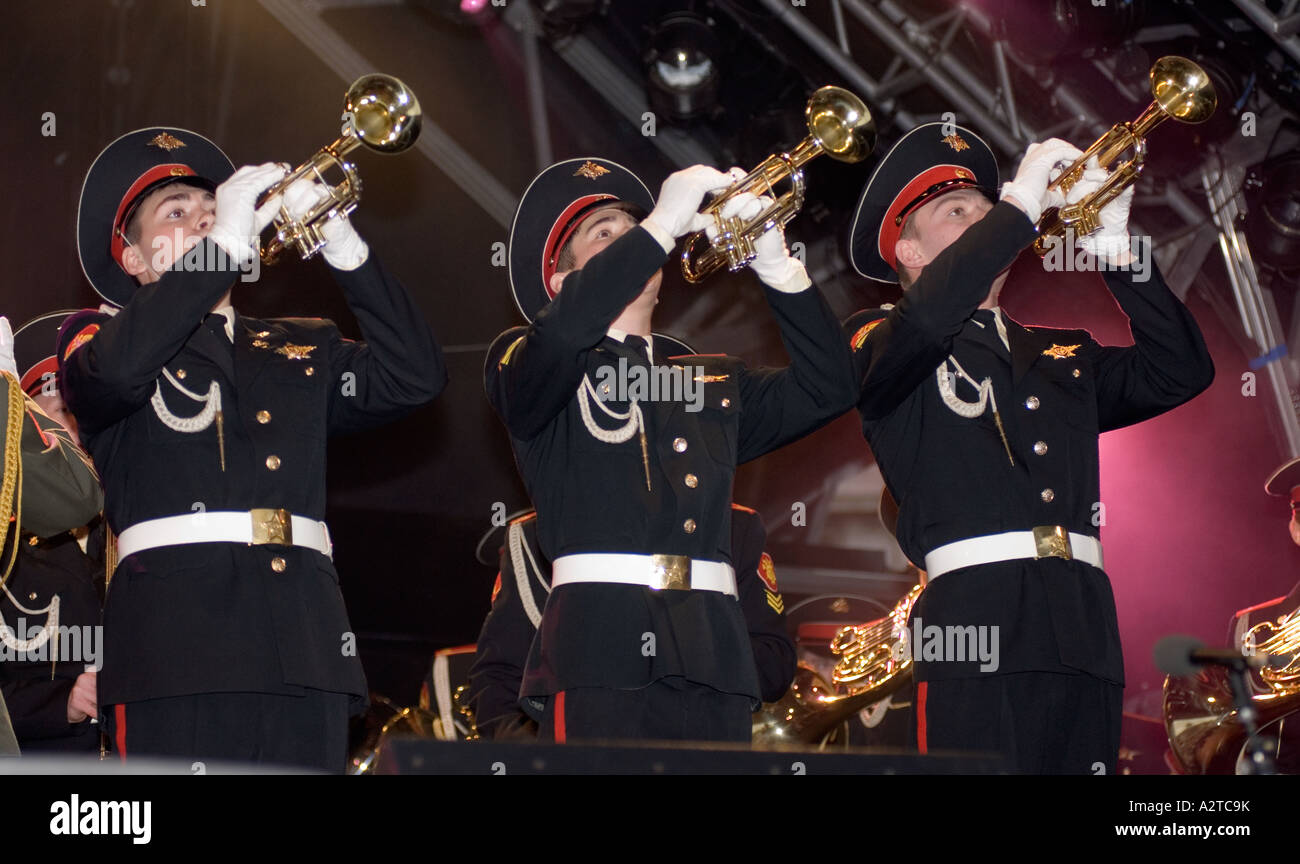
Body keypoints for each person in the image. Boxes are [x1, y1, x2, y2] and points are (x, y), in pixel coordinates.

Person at [58, 127, 446, 771]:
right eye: (176, 215)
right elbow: (116, 376)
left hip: (305, 642)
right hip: (179, 650)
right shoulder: (100, 335)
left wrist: (343, 246)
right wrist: (225, 245)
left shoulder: (298, 342)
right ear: (132, 260)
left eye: (213, 211)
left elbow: (415, 375)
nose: (204, 221)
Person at [841, 122, 1214, 773]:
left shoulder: (1059, 354)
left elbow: (1181, 370)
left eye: (991, 213)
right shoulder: (880, 340)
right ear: (909, 252)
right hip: (974, 620)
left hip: (1082, 619)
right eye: (958, 213)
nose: (987, 224)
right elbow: (927, 321)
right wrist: (1017, 207)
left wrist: (1119, 252)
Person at [483, 157, 856, 743]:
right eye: (605, 234)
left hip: (712, 658)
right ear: (561, 282)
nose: (632, 241)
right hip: (596, 656)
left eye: (635, 233)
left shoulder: (706, 384)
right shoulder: (527, 362)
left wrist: (777, 263)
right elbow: (558, 335)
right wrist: (658, 227)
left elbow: (830, 386)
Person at [467, 501, 795, 739]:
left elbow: (773, 669)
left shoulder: (733, 528)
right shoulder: (534, 535)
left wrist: (686, 629)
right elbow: (497, 679)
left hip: (700, 749)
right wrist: (536, 756)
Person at [0, 312, 109, 756]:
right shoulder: (8, 549)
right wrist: (61, 703)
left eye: (87, 414)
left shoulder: (135, 532)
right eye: (62, 412)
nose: (77, 429)